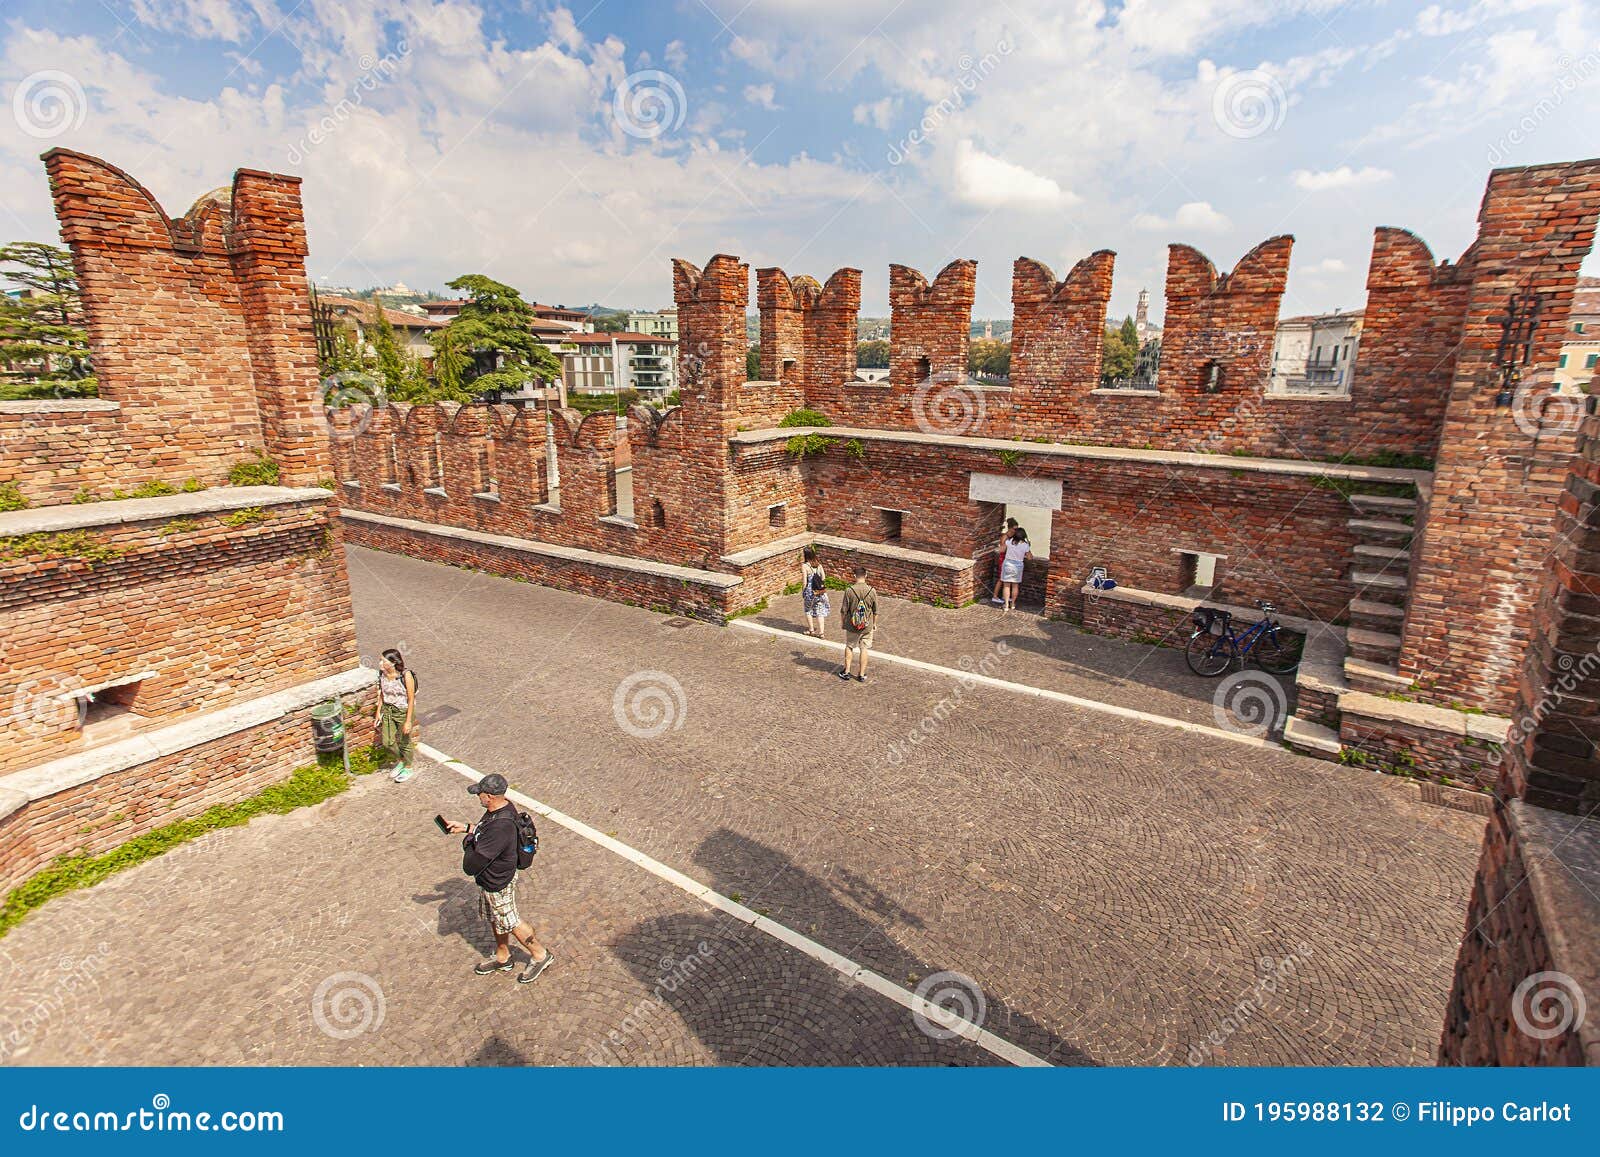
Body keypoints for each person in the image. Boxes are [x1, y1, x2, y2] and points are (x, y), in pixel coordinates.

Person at [446, 773, 554, 985]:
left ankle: (540, 954)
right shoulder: (501, 809)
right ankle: (503, 956)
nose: (478, 797)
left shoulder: (500, 826)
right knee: (497, 918)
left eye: (480, 794)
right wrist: (467, 828)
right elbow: (486, 833)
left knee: (510, 920)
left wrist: (468, 842)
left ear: (490, 796)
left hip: (498, 881)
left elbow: (472, 863)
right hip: (491, 880)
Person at [375, 649, 418, 783]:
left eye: (383, 661)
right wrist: (378, 712)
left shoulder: (406, 675)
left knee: (404, 741)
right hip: (388, 710)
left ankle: (409, 767)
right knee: (387, 742)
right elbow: (382, 694)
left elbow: (411, 698)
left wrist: (408, 721)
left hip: (402, 711)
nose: (380, 663)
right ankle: (401, 760)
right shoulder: (382, 674)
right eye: (380, 660)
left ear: (393, 663)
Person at [837, 564, 878, 683]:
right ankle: (861, 674)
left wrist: (843, 622)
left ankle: (846, 671)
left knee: (849, 646)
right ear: (866, 575)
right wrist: (874, 624)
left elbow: (844, 610)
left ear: (855, 576)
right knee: (864, 648)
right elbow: (876, 611)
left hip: (852, 624)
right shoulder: (872, 591)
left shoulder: (849, 590)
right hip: (867, 625)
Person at [800, 546, 831, 637]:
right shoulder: (818, 565)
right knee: (820, 610)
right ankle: (821, 633)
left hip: (810, 592)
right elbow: (823, 578)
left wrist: (803, 591)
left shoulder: (805, 566)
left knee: (808, 610)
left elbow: (804, 581)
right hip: (820, 591)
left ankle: (811, 630)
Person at [1000, 526, 1031, 614]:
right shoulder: (1025, 545)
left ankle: (1006, 605)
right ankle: (1013, 604)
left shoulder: (1010, 542)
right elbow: (1029, 557)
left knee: (1006, 585)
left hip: (1008, 564)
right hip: (1018, 565)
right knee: (1015, 586)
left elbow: (1001, 550)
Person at [990, 517, 1019, 605]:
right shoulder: (1004, 537)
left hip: (1009, 558)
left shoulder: (1013, 537)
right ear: (1010, 528)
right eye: (1015, 528)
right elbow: (1002, 550)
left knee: (1007, 579)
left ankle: (1004, 596)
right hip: (1004, 558)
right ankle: (995, 596)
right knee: (1001, 579)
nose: (1016, 530)